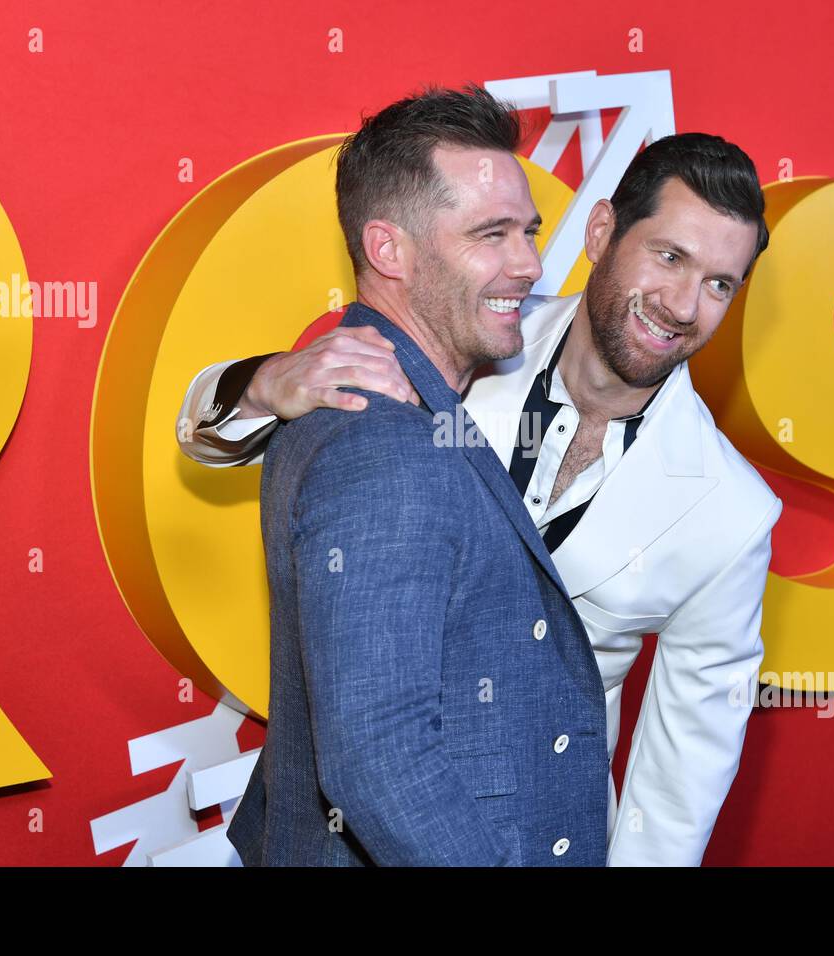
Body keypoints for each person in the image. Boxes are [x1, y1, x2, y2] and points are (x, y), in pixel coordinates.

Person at [185, 129, 782, 866]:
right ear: (602, 232)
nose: (684, 304)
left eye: (720, 283)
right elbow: (207, 433)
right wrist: (264, 382)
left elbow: (679, 778)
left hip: (538, 829)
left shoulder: (732, 514)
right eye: (669, 257)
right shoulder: (468, 326)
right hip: (344, 821)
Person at [223, 85, 610, 866]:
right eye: (491, 234)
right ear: (388, 250)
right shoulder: (386, 446)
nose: (531, 264)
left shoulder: (398, 385)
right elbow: (379, 761)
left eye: (529, 231)